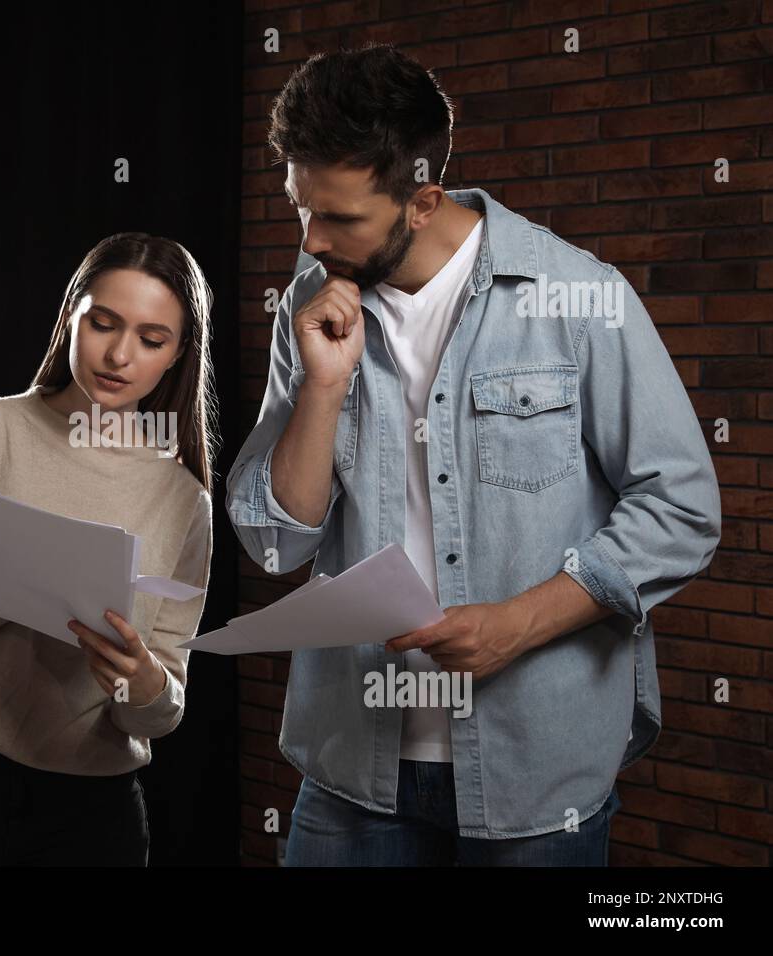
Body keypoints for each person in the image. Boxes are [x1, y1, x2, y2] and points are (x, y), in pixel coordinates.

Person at [226, 45, 721, 866]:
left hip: (535, 770)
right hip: (355, 765)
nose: (311, 241)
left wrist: (516, 626)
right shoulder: (311, 307)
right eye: (299, 207)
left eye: (341, 218)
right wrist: (321, 386)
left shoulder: (576, 298)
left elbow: (682, 508)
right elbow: (278, 543)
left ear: (422, 201)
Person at [0, 232, 218, 866]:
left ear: (177, 355)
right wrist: (6, 591)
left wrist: (140, 683)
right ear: (70, 318)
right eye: (102, 324)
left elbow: (164, 709)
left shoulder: (182, 496)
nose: (118, 354)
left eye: (150, 339)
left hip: (89, 808)